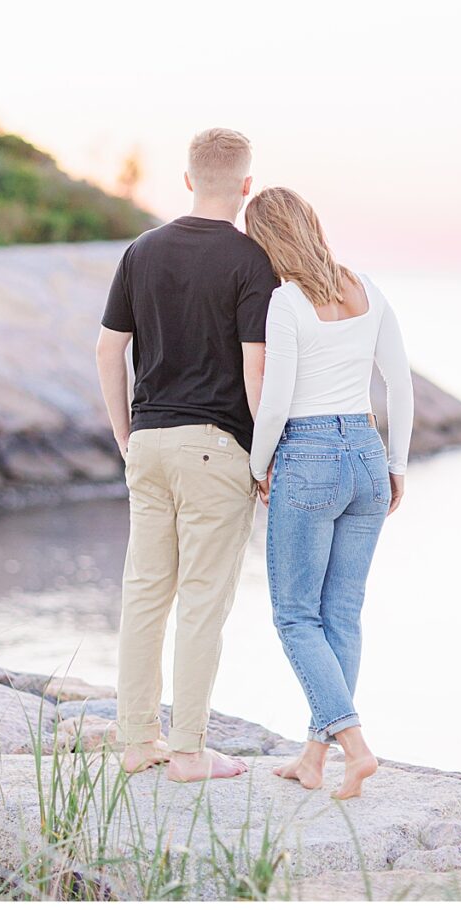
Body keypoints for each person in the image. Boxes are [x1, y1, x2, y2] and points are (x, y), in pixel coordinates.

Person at [96, 127, 279, 781]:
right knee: (203, 601)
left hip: (147, 443)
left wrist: (126, 437)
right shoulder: (252, 262)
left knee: (144, 596)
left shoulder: (141, 251)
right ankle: (191, 753)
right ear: (246, 185)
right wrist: (266, 460)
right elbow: (256, 376)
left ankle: (138, 743)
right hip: (214, 448)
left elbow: (107, 351)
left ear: (187, 179)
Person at [245, 187, 412, 799]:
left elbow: (277, 398)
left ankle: (355, 746)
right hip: (366, 454)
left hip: (308, 454)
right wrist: (396, 464)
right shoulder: (366, 287)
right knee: (341, 612)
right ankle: (314, 758)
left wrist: (259, 465)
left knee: (295, 615)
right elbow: (399, 383)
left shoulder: (286, 301)